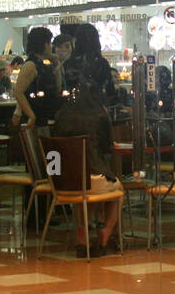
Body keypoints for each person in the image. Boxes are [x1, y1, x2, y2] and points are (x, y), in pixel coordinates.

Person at [50, 90, 124, 257]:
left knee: (85, 191)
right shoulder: (99, 115)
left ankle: (82, 234)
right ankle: (106, 232)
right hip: (91, 178)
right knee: (117, 191)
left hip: (63, 181)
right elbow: (107, 147)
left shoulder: (61, 116)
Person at [13, 26, 63, 127]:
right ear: (45, 44)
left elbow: (58, 87)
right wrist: (31, 115)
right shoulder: (31, 65)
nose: (51, 47)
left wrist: (56, 64)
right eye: (49, 43)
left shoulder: (43, 64)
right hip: (35, 119)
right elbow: (18, 92)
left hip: (44, 117)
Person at [64, 22, 122, 107]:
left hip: (73, 111)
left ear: (77, 41)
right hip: (97, 110)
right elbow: (110, 91)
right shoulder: (101, 63)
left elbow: (65, 88)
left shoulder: (70, 63)